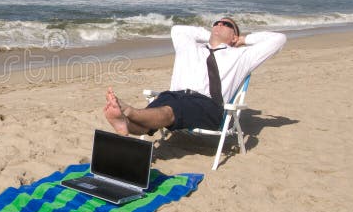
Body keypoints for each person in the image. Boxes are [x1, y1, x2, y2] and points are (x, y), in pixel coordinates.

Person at [104, 17, 286, 136]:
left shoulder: (241, 56)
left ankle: (128, 111)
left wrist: (243, 41)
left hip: (207, 105)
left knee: (169, 110)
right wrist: (212, 36)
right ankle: (124, 125)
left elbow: (278, 40)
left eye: (227, 25)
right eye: (217, 23)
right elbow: (177, 29)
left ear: (234, 36)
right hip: (173, 96)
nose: (219, 25)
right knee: (151, 120)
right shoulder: (190, 47)